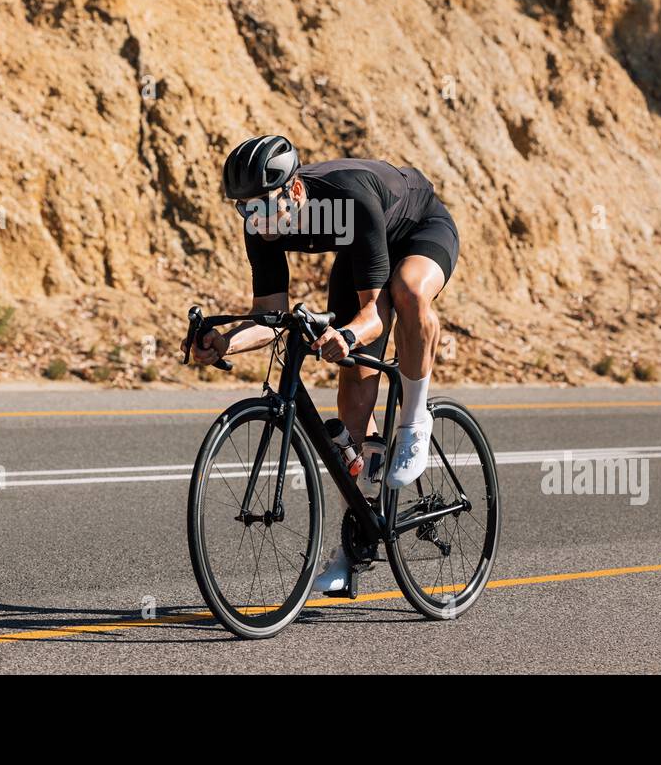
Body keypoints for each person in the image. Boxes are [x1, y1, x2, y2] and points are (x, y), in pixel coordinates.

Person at [186, 134, 460, 594]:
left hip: (417, 228)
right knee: (353, 408)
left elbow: (376, 313)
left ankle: (414, 423)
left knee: (409, 291)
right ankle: (356, 546)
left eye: (261, 206)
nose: (253, 219)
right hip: (359, 252)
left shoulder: (347, 198)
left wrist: (349, 334)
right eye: (244, 209)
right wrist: (222, 343)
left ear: (294, 192)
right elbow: (269, 317)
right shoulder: (261, 225)